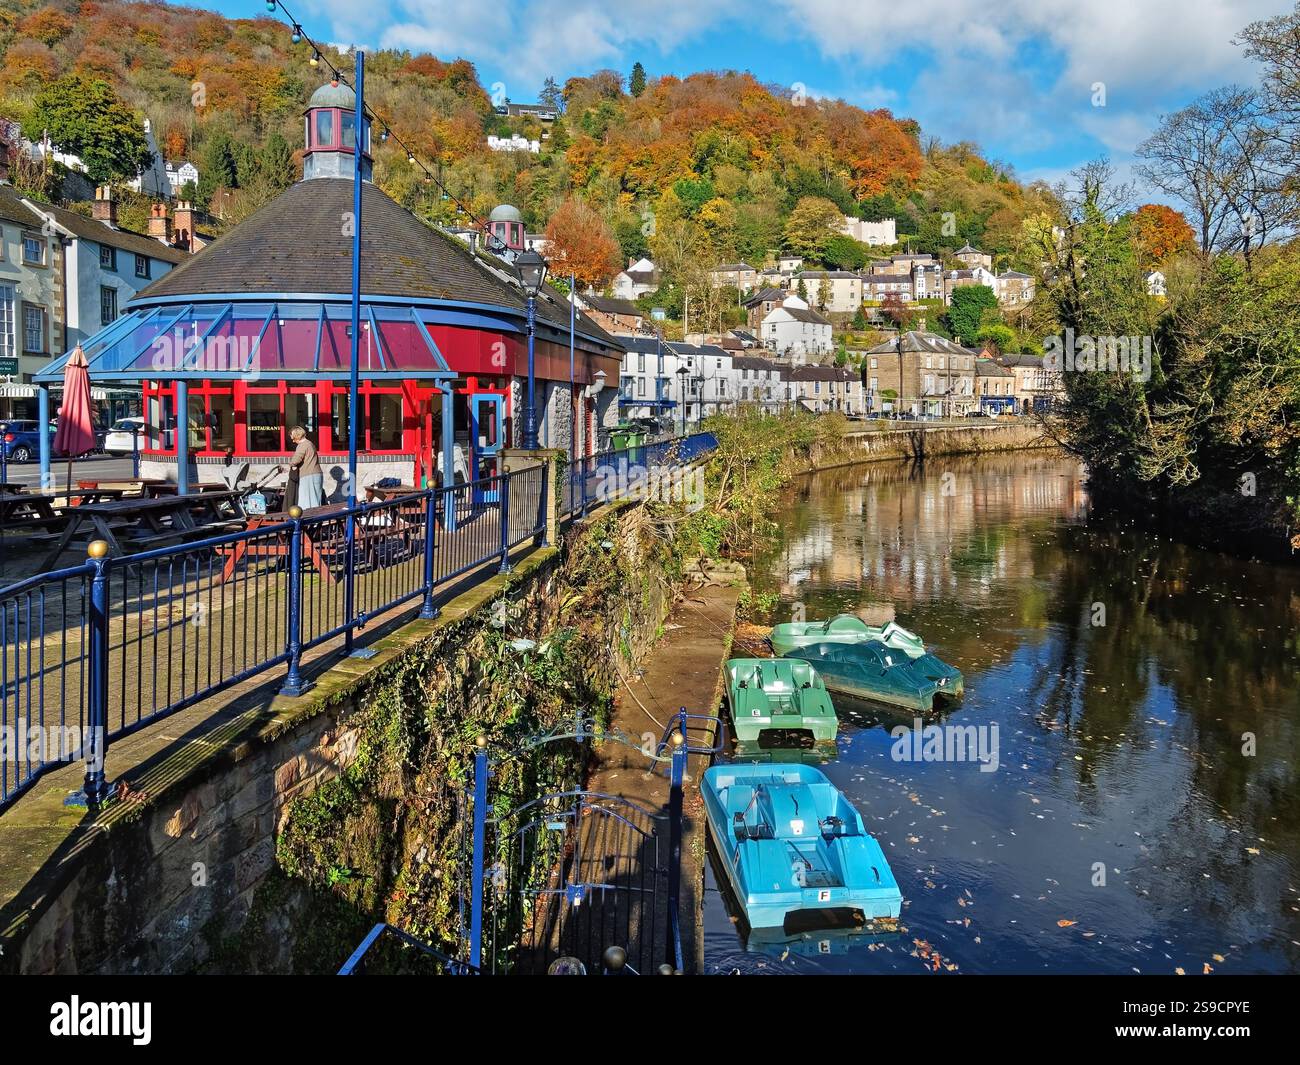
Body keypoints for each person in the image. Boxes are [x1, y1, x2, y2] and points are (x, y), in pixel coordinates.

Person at [289, 426, 323, 510]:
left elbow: (295, 460)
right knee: (315, 500)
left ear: (297, 436)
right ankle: (316, 520)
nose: (293, 441)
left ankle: (310, 521)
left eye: (293, 438)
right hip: (316, 474)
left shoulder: (302, 445)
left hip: (308, 475)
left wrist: (291, 464)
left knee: (307, 502)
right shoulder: (310, 443)